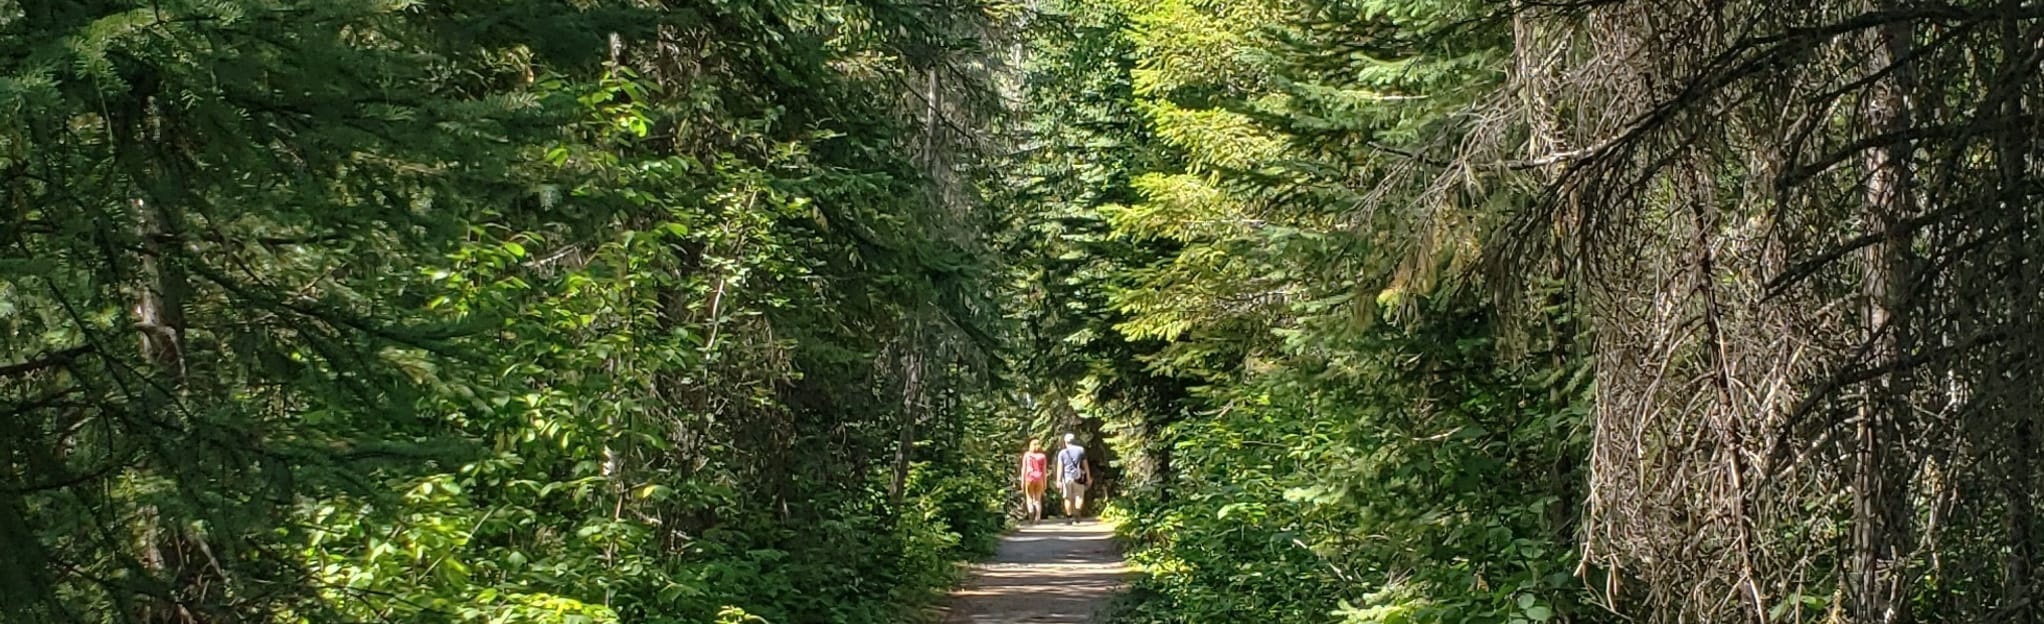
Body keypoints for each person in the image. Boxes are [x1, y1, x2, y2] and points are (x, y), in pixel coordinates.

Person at [1054, 433, 1091, 524]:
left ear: (1065, 442)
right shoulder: (1080, 450)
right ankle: (1077, 512)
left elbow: (1060, 467)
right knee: (1079, 496)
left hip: (1067, 478)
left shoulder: (1062, 453)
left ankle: (1069, 516)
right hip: (1078, 477)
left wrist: (1058, 480)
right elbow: (1085, 465)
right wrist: (1088, 477)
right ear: (1074, 440)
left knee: (1067, 498)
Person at [1018, 439, 1049, 524]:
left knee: (1029, 498)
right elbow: (1044, 470)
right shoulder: (1042, 456)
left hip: (1029, 478)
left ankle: (1031, 512)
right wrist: (1045, 483)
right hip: (1039, 479)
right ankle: (1038, 517)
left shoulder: (1027, 455)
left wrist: (1022, 481)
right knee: (1038, 499)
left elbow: (1023, 468)